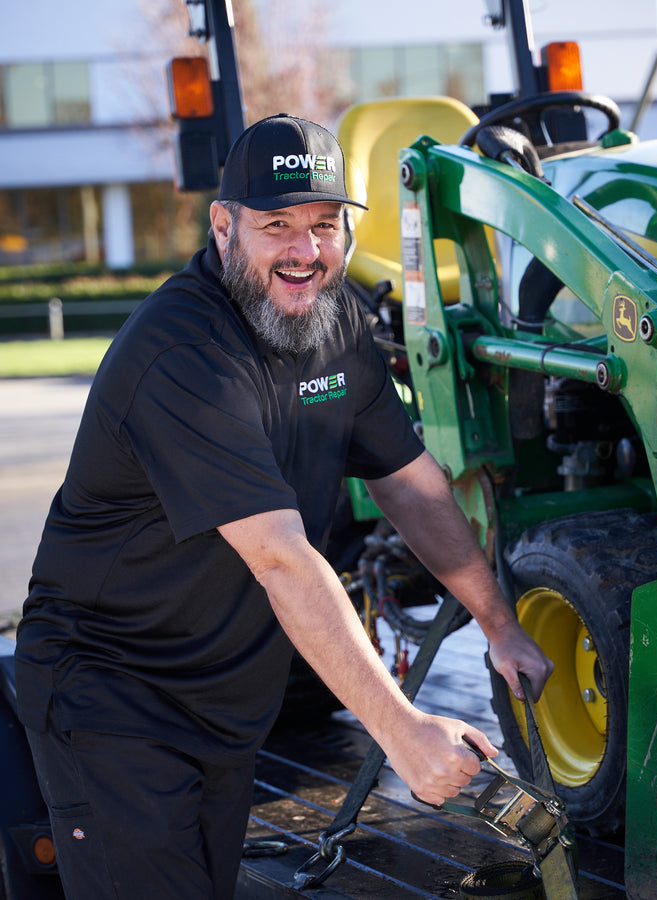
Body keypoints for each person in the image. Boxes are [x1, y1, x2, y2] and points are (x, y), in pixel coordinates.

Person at [14, 113, 552, 899]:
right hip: (114, 694)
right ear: (224, 227)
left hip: (228, 704)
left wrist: (501, 627)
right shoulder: (185, 354)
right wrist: (400, 729)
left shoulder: (336, 323)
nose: (306, 251)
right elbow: (279, 556)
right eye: (277, 225)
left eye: (324, 225)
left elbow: (410, 481)